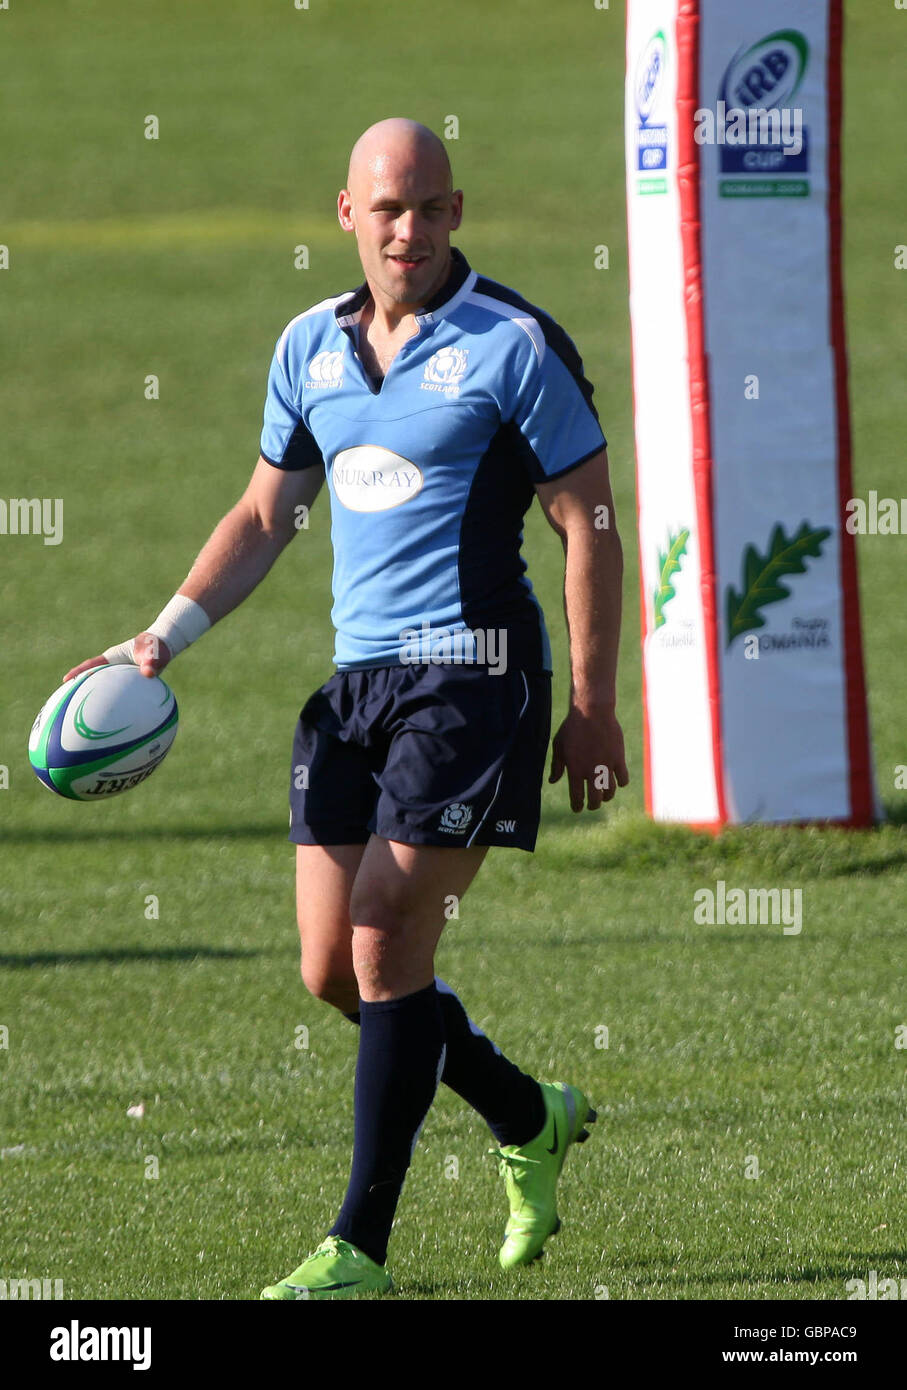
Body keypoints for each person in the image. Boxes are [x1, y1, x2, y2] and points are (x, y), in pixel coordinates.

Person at [65, 117, 628, 1300]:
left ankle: (358, 1247)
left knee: (383, 934)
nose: (408, 230)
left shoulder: (515, 344)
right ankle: (527, 1113)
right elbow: (264, 515)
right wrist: (159, 637)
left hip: (476, 678)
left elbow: (587, 522)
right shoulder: (307, 348)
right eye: (387, 209)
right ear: (347, 215)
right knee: (332, 968)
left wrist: (591, 705)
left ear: (456, 212)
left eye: (428, 208)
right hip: (356, 689)